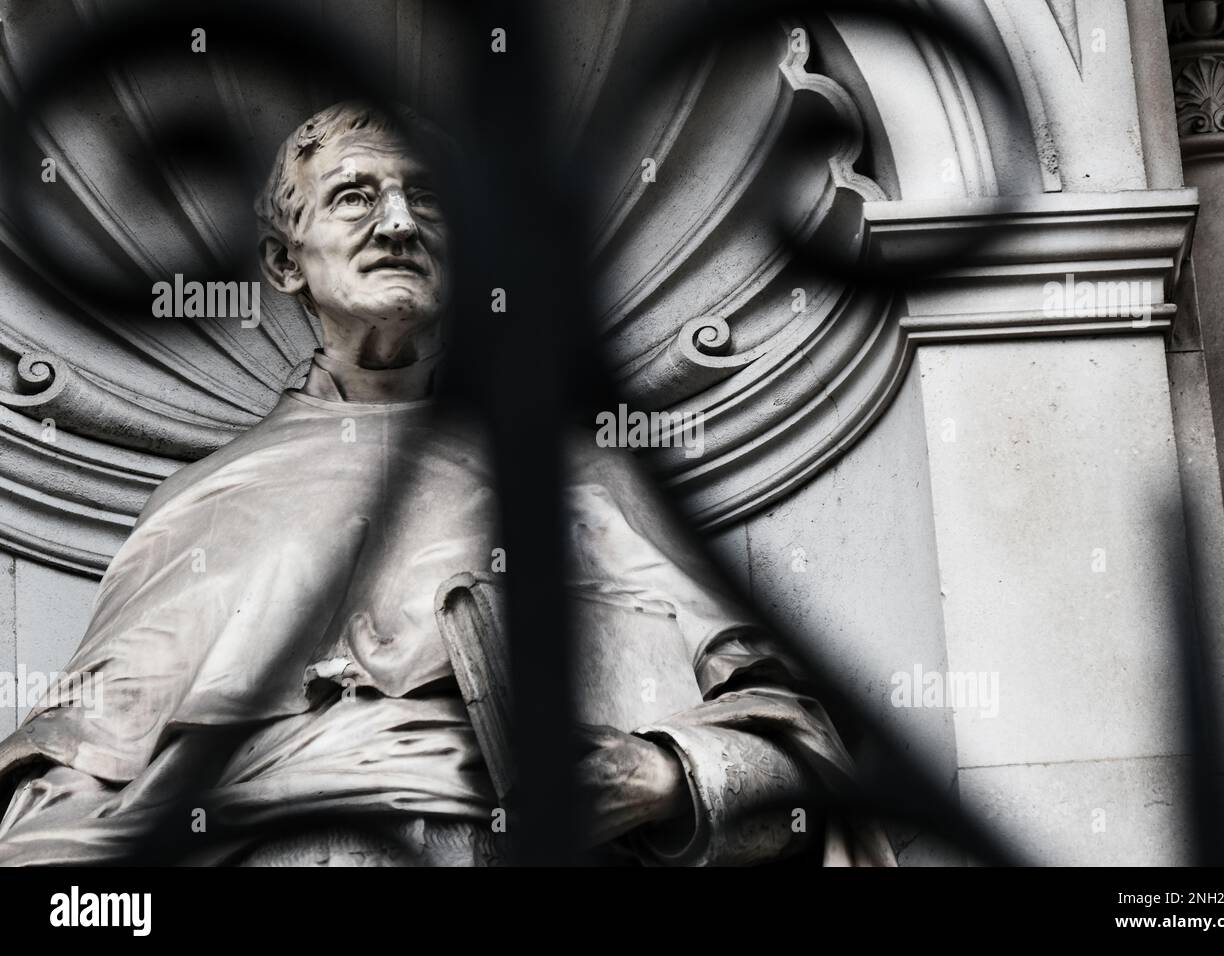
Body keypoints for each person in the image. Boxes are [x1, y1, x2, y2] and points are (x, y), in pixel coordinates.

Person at [0, 102, 895, 867]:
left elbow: (796, 751)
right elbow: (59, 813)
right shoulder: (203, 500)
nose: (398, 223)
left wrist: (666, 776)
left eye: (426, 199)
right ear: (283, 262)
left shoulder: (572, 477)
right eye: (355, 196)